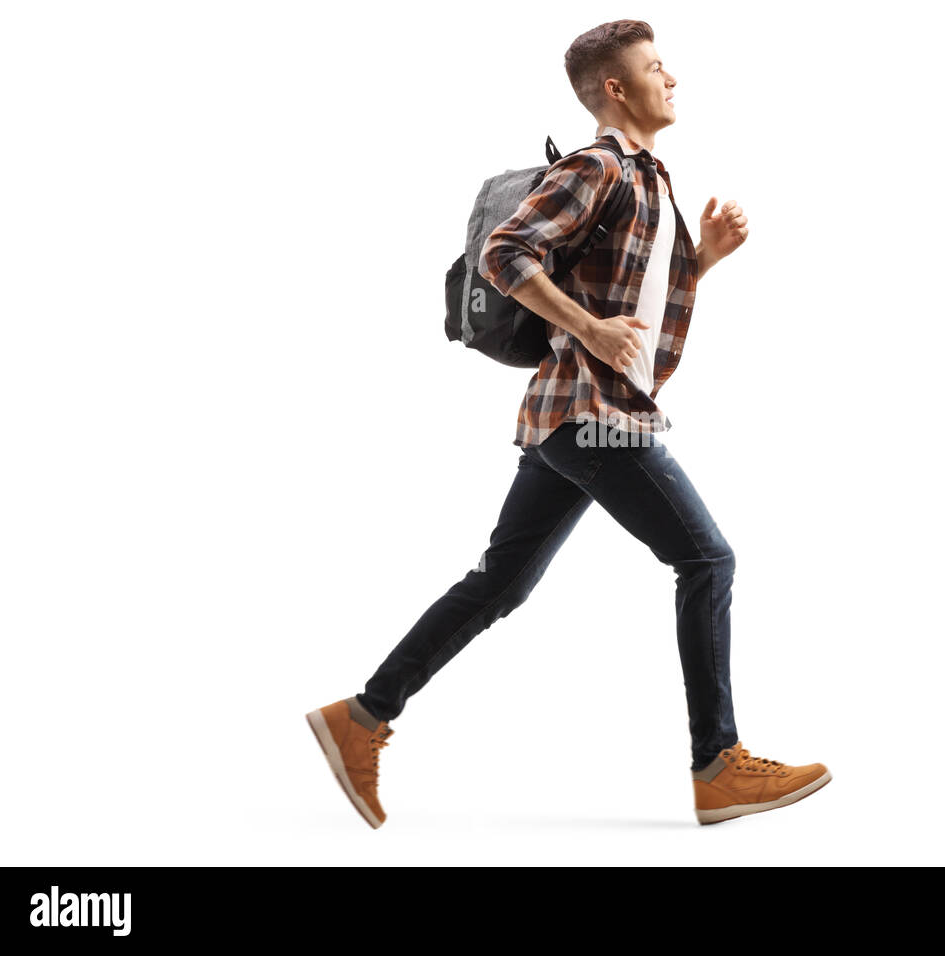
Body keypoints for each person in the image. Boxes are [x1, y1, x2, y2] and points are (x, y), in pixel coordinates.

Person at [306, 19, 830, 828]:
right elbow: (506, 253)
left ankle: (362, 717)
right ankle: (718, 763)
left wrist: (704, 261)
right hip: (591, 413)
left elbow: (631, 307)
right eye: (657, 68)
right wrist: (588, 332)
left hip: (571, 413)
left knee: (502, 583)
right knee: (708, 560)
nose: (673, 79)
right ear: (616, 89)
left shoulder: (650, 180)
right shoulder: (600, 166)